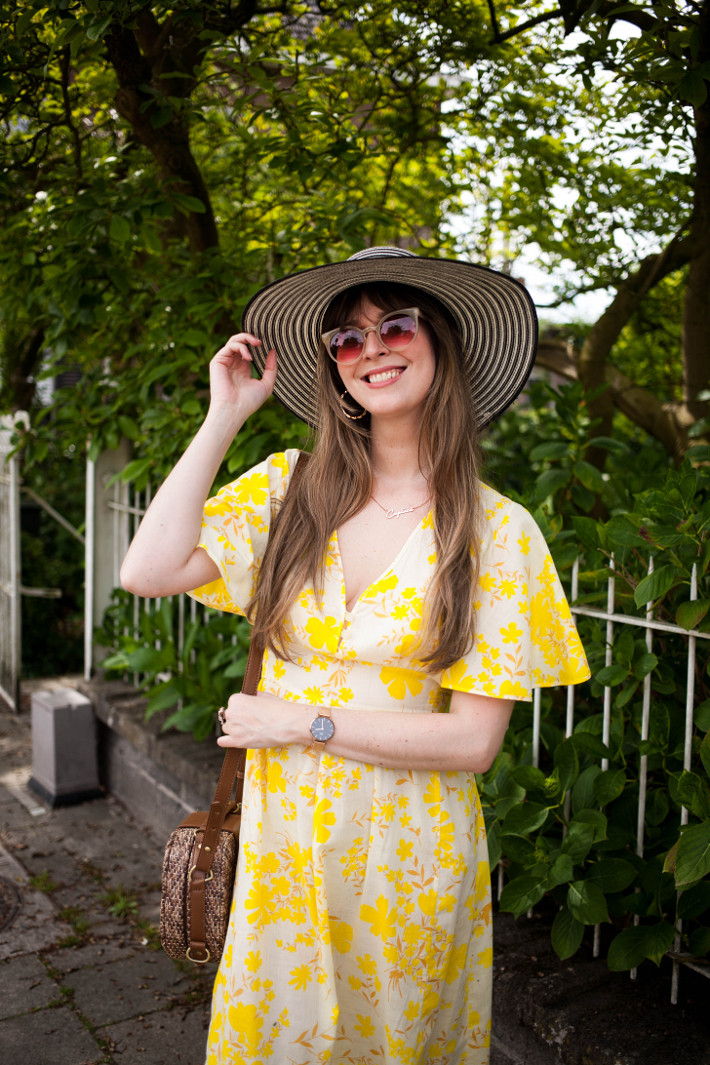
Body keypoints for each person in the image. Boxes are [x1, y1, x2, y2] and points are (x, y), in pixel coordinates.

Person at [120, 246, 590, 1065]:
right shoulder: (289, 490)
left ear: (439, 343)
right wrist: (223, 413)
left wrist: (300, 720)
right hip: (285, 851)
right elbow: (146, 569)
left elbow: (473, 744)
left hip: (408, 858)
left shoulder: (499, 531)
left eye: (395, 324)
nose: (372, 347)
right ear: (334, 368)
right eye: (346, 337)